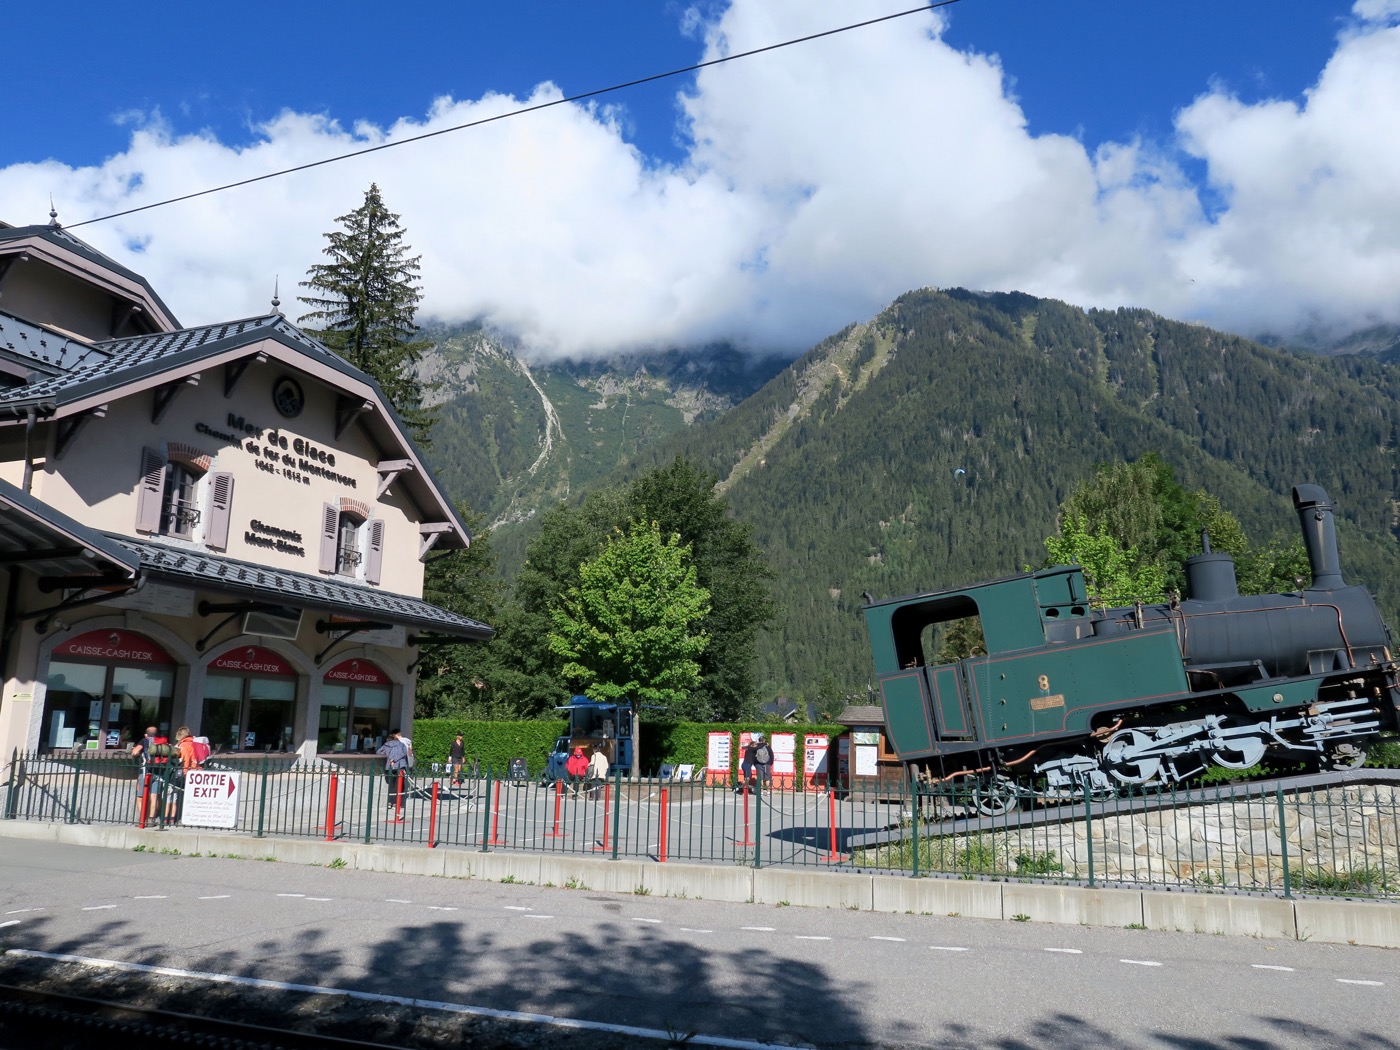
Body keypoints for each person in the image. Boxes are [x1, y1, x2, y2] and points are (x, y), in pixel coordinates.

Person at [131, 724, 168, 822]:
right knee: (154, 795)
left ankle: (143, 818)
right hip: (159, 772)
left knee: (140, 796)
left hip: (145, 772)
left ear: (146, 735)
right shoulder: (163, 742)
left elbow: (135, 752)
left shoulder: (144, 741)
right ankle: (152, 818)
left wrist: (137, 753)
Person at [376, 728, 410, 811]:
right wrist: (395, 759)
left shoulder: (386, 745)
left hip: (390, 766)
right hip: (400, 766)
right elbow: (405, 752)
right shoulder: (401, 744)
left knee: (392, 784)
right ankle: (397, 802)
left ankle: (390, 802)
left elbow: (378, 752)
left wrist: (390, 757)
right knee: (400, 785)